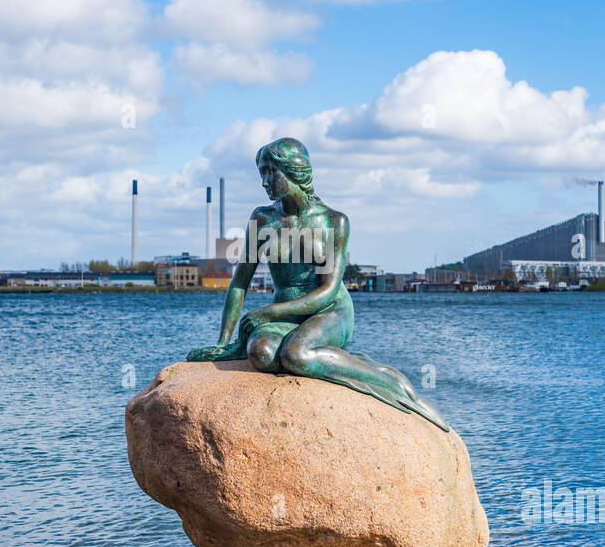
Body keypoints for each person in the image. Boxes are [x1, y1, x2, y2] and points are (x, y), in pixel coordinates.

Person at [187, 137, 450, 430]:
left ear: (295, 172)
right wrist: (224, 343)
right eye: (262, 172)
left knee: (295, 355)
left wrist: (268, 313)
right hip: (287, 316)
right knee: (260, 352)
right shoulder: (262, 220)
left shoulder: (331, 222)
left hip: (329, 311)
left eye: (271, 171)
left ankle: (389, 382)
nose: (265, 181)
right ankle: (337, 360)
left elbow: (326, 291)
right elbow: (240, 282)